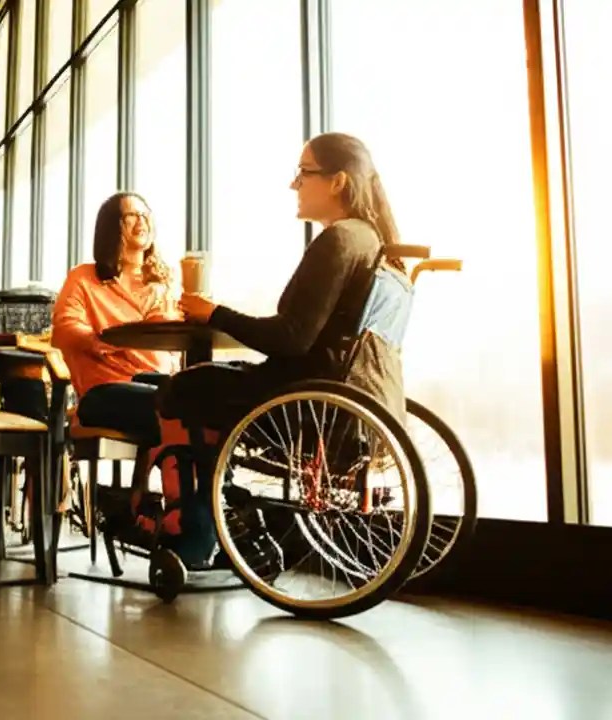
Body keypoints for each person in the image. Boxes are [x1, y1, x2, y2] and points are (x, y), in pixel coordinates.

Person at [149, 132, 410, 567]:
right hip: (357, 400)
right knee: (194, 385)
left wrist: (213, 314)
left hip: (302, 399)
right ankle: (219, 510)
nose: (295, 184)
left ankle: (193, 528)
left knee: (181, 388)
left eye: (304, 173)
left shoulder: (339, 240)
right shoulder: (375, 246)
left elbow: (291, 338)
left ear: (338, 182)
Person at [51, 192, 180, 443]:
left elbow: (172, 343)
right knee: (172, 408)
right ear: (112, 226)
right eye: (132, 215)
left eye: (145, 215)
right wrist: (99, 343)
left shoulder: (161, 285)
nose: (141, 221)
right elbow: (65, 327)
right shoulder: (85, 278)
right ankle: (188, 482)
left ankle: (213, 481)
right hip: (105, 390)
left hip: (155, 381)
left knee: (196, 402)